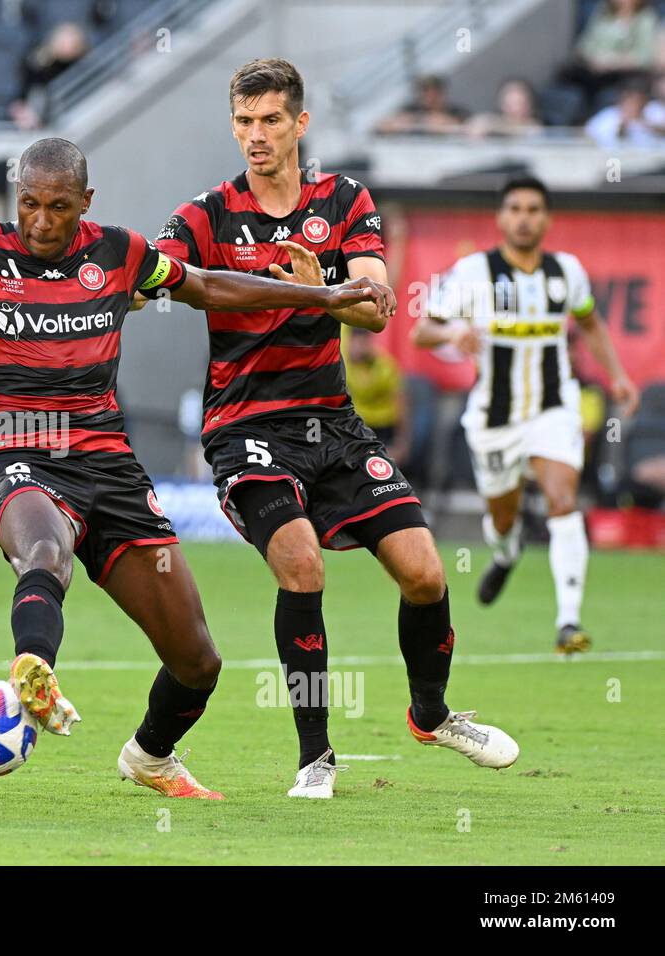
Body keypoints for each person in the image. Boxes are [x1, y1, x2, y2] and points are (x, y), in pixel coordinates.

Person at [0, 137, 394, 799]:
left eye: (58, 207)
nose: (40, 221)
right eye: (30, 205)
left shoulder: (120, 254)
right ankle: (34, 669)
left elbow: (208, 285)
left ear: (85, 204)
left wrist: (324, 299)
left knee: (197, 661)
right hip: (22, 456)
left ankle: (150, 755)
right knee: (44, 551)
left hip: (111, 470)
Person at [154, 58, 520, 800]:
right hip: (245, 426)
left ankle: (432, 714)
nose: (255, 137)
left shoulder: (345, 200)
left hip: (333, 424)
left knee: (424, 572)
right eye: (243, 123)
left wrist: (316, 289)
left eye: (270, 121)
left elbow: (376, 306)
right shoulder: (206, 214)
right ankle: (316, 756)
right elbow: (161, 277)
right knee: (303, 566)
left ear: (300, 123)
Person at [413, 175, 640, 653]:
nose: (524, 218)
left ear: (547, 218)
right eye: (515, 209)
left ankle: (568, 622)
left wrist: (617, 375)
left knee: (563, 501)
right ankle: (508, 549)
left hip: (554, 409)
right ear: (501, 218)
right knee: (502, 515)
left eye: (534, 209)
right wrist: (452, 333)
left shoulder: (567, 271)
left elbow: (591, 323)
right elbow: (421, 331)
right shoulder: (475, 272)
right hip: (494, 420)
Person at [343, 326, 410, 465]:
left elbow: (400, 403)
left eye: (363, 342)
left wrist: (401, 441)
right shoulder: (342, 367)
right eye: (355, 342)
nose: (358, 348)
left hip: (384, 428)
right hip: (357, 428)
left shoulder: (385, 365)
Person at [584, 75, 665, 147]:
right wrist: (623, 125)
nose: (635, 103)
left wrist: (645, 123)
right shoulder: (609, 115)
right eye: (631, 99)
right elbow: (591, 135)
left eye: (639, 100)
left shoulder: (655, 110)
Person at [377, 75, 468, 135]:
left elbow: (472, 125)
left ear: (443, 93)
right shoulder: (412, 109)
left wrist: (448, 123)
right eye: (427, 92)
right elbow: (385, 125)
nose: (432, 97)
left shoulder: (455, 111)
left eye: (436, 92)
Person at [467, 78, 545, 139]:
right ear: (502, 104)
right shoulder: (494, 120)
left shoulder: (534, 127)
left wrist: (492, 128)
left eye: (520, 103)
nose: (516, 109)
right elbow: (476, 124)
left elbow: (530, 131)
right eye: (511, 104)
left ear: (530, 105)